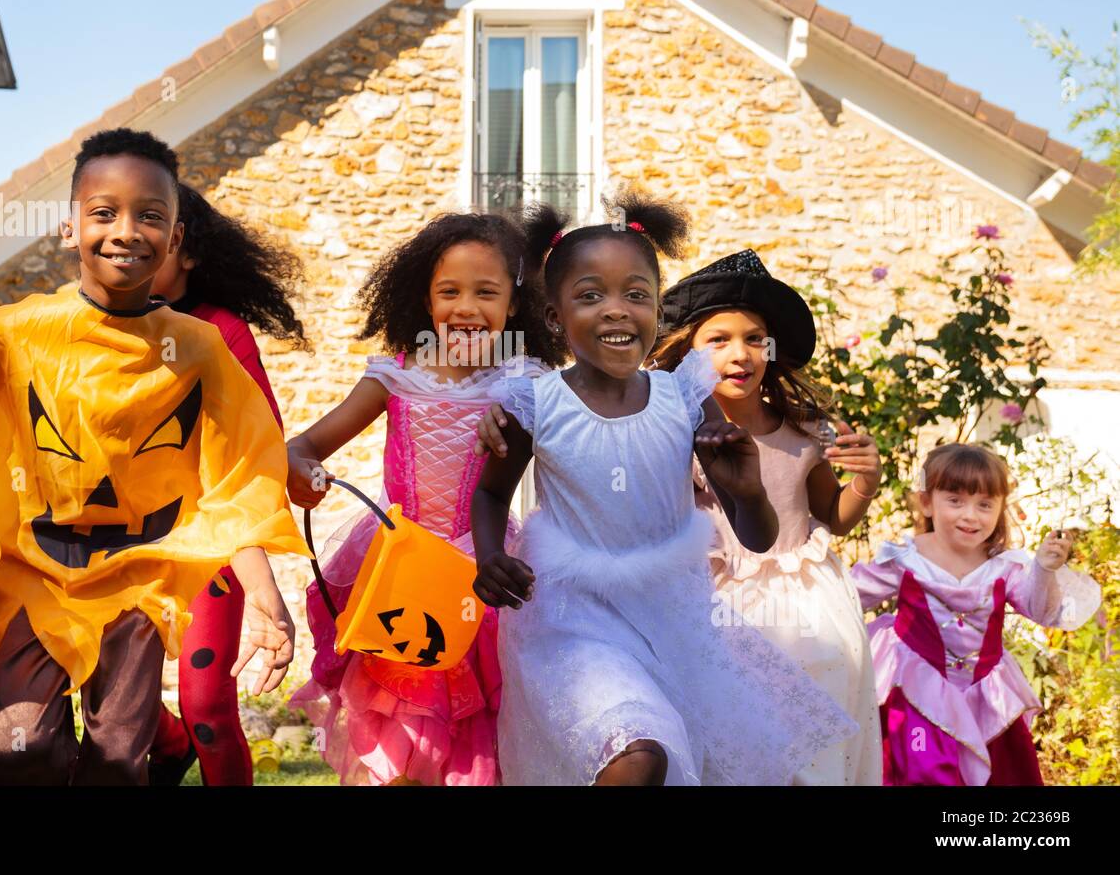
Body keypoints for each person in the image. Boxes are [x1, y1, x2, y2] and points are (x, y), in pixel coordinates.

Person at [0, 129, 303, 785]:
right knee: (21, 751)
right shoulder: (15, 335)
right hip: (32, 573)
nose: (126, 230)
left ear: (175, 239)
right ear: (69, 229)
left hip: (133, 582)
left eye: (150, 215)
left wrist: (264, 594)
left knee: (117, 762)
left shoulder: (201, 352)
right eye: (103, 213)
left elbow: (234, 477)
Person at [471, 193, 857, 785]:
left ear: (657, 311)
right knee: (636, 750)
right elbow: (494, 493)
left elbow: (757, 537)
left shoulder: (683, 400)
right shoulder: (535, 402)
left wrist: (747, 490)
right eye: (590, 295)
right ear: (555, 318)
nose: (617, 310)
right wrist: (492, 553)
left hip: (674, 616)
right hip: (573, 615)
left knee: (688, 764)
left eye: (636, 294)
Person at [287, 211, 562, 785]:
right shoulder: (396, 377)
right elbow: (306, 445)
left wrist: (517, 410)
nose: (466, 307)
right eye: (449, 292)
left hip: (478, 568)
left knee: (477, 725)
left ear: (514, 304)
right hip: (398, 568)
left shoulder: (527, 381)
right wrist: (305, 473)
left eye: (486, 292)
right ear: (426, 299)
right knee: (399, 723)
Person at [650, 249, 883, 784]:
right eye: (719, 339)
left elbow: (834, 515)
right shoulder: (676, 436)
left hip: (809, 609)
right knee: (734, 752)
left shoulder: (804, 431)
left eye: (755, 338)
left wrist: (865, 483)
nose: (740, 353)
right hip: (717, 607)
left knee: (815, 754)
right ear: (686, 353)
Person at [147, 182, 308, 785]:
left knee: (208, 708)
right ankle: (167, 748)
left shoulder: (222, 331)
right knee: (116, 700)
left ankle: (186, 744)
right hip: (117, 541)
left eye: (154, 234)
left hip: (211, 544)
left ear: (189, 252)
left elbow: (257, 443)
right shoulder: (94, 326)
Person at [852, 443, 1101, 785]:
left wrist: (1043, 569)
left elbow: (1040, 609)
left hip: (986, 701)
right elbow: (848, 598)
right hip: (917, 698)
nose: (971, 515)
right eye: (955, 500)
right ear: (927, 501)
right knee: (921, 773)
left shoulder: (1005, 567)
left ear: (1000, 509)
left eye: (985, 504)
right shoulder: (905, 560)